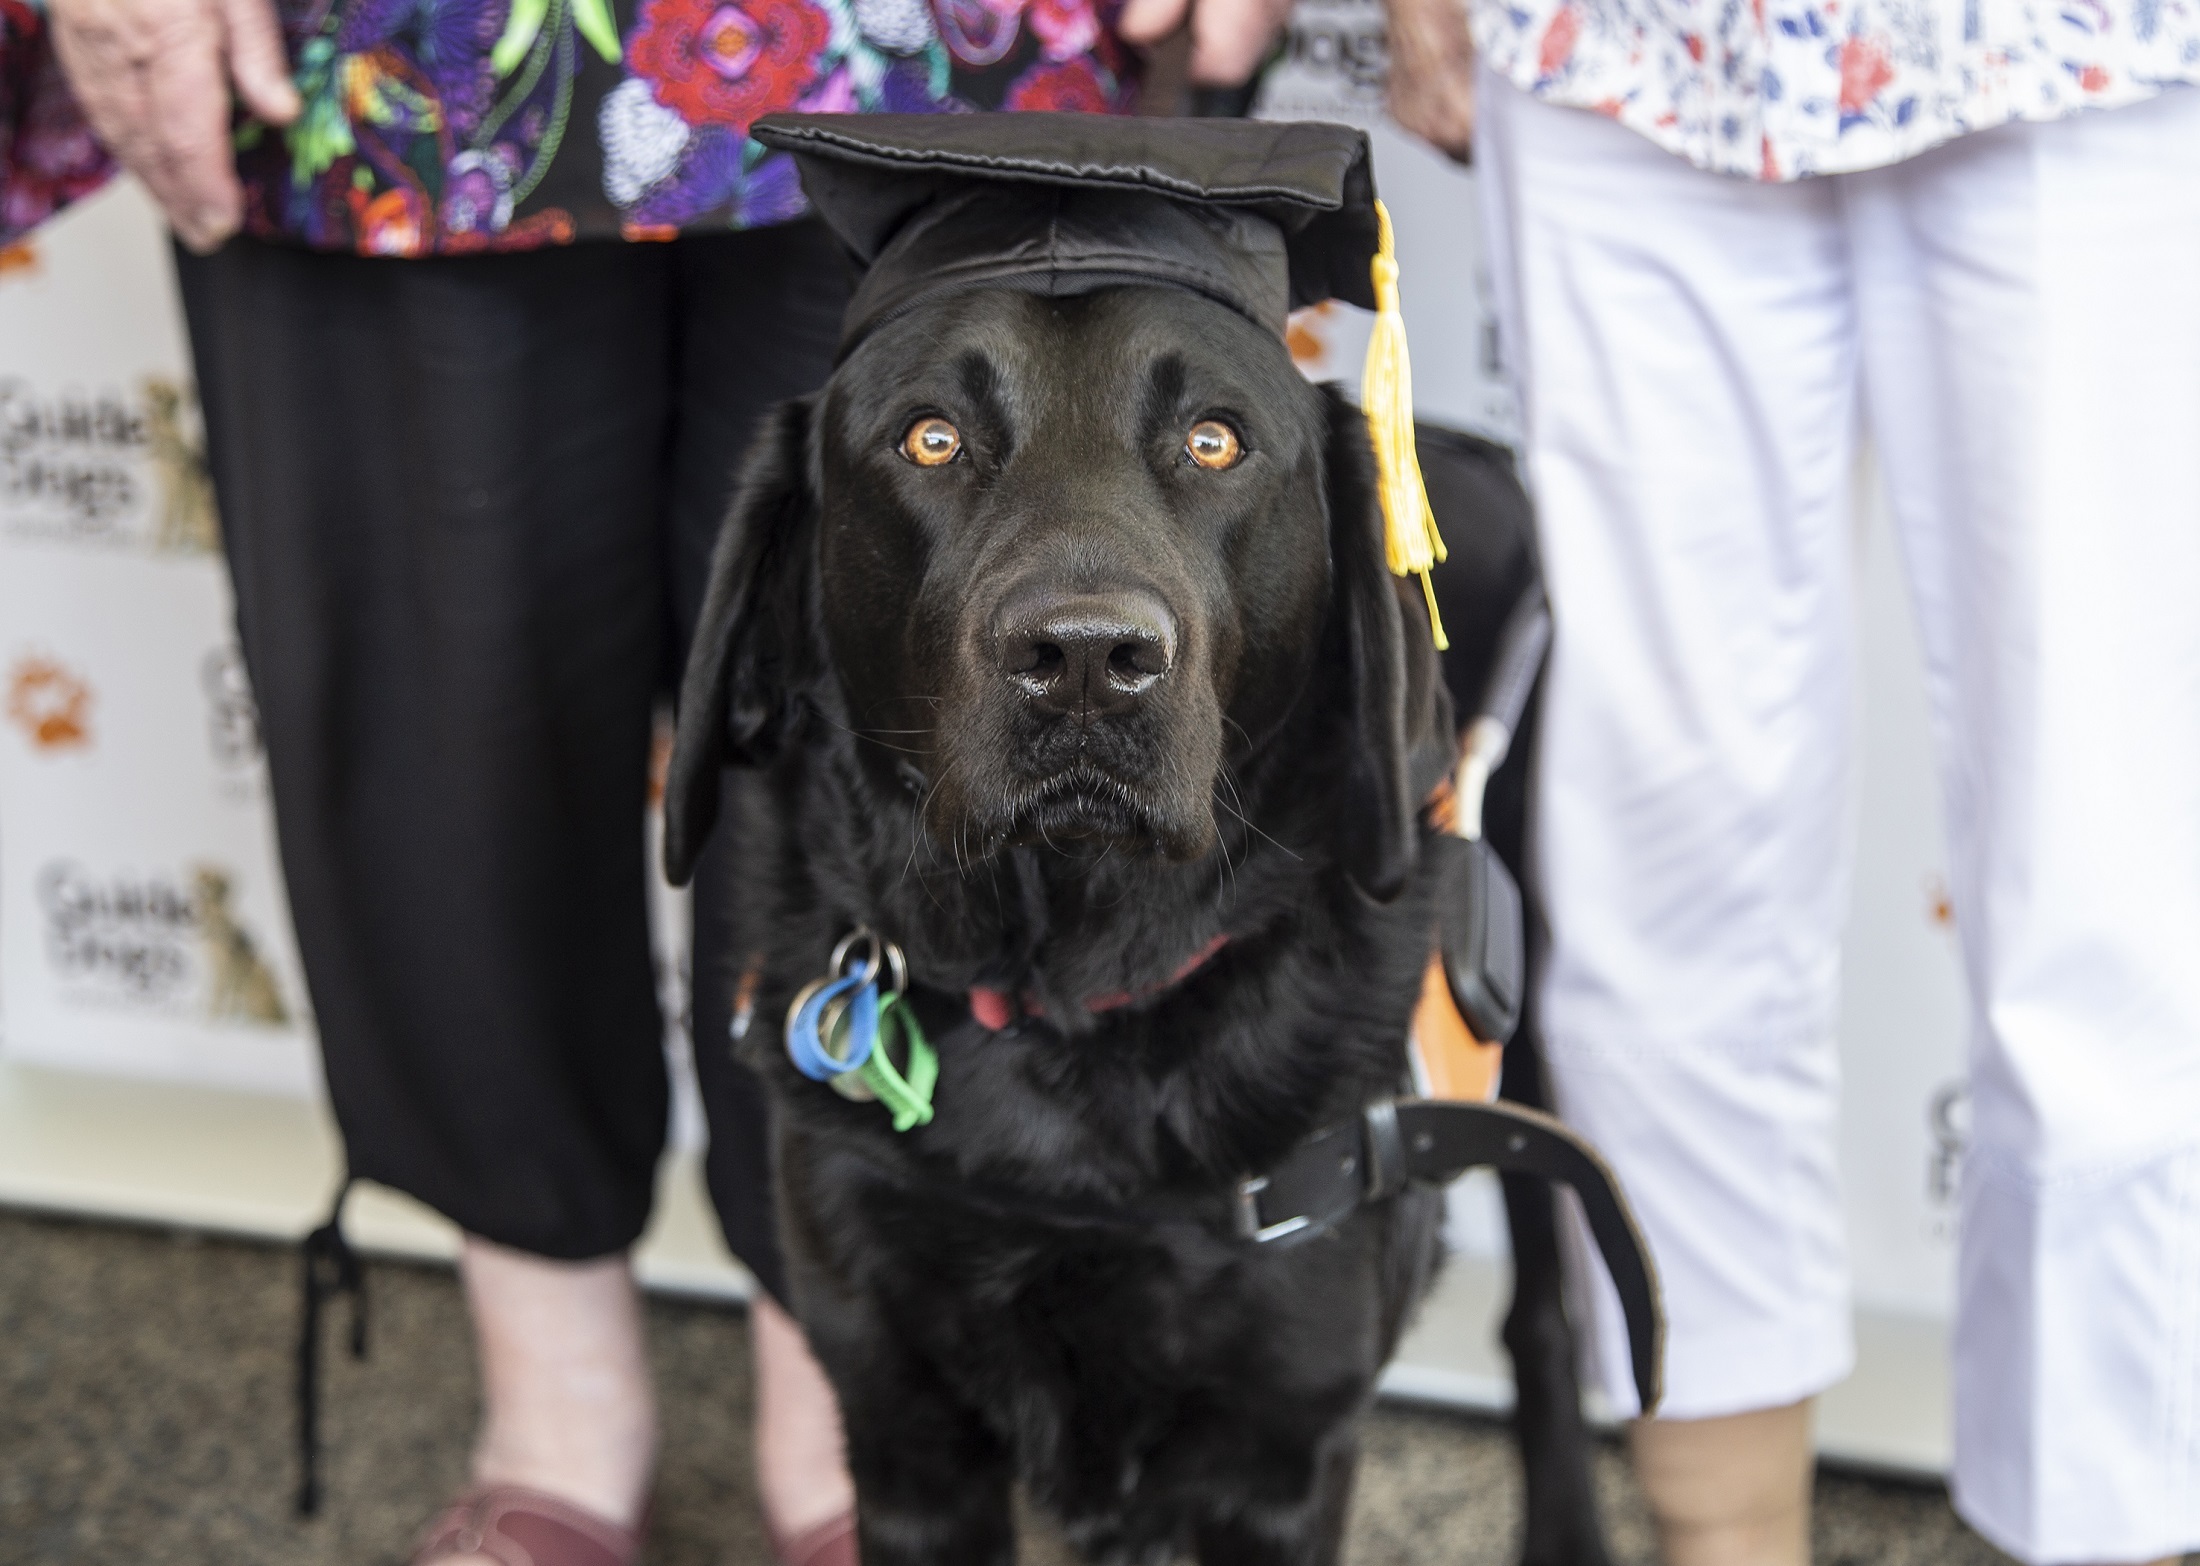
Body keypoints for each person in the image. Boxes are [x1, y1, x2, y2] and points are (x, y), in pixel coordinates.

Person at [38, 0, 1289, 1562]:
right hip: (393, 47)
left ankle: (864, 1406)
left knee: (917, 682)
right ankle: (550, 1397)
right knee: (445, 714)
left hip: (928, 40)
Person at [1381, 0, 2200, 1563]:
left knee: (2100, 884)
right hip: (1624, 52)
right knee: (1660, 868)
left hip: (2079, 50)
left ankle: (2107, 1535)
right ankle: (1724, 1544)